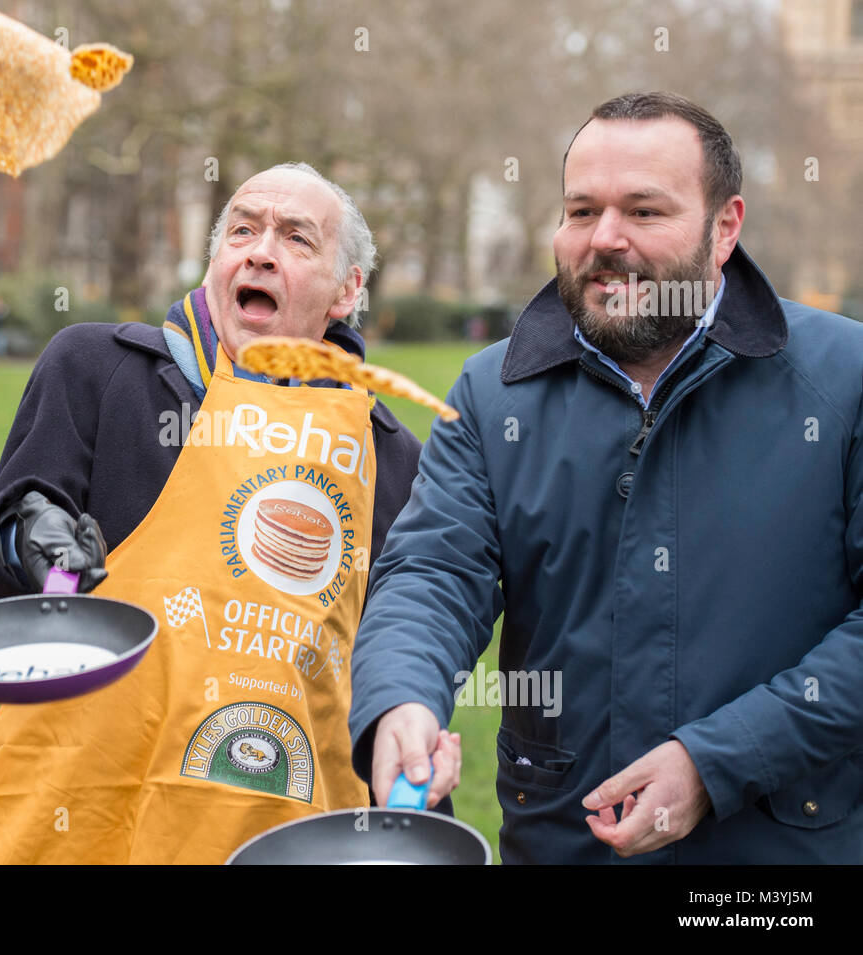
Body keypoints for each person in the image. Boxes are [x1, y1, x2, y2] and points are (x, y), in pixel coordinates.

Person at [349, 91, 863, 864]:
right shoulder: (493, 394)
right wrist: (400, 699)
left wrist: (714, 762)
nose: (606, 238)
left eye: (644, 212)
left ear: (726, 227)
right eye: (582, 211)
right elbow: (431, 572)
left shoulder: (845, 379)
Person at [0, 162, 458, 864]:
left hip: (278, 833)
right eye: (242, 230)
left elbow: (393, 661)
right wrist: (25, 534)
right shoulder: (98, 369)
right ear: (217, 261)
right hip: (75, 817)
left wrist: (418, 781)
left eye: (296, 239)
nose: (259, 249)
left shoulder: (391, 458)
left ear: (348, 290)